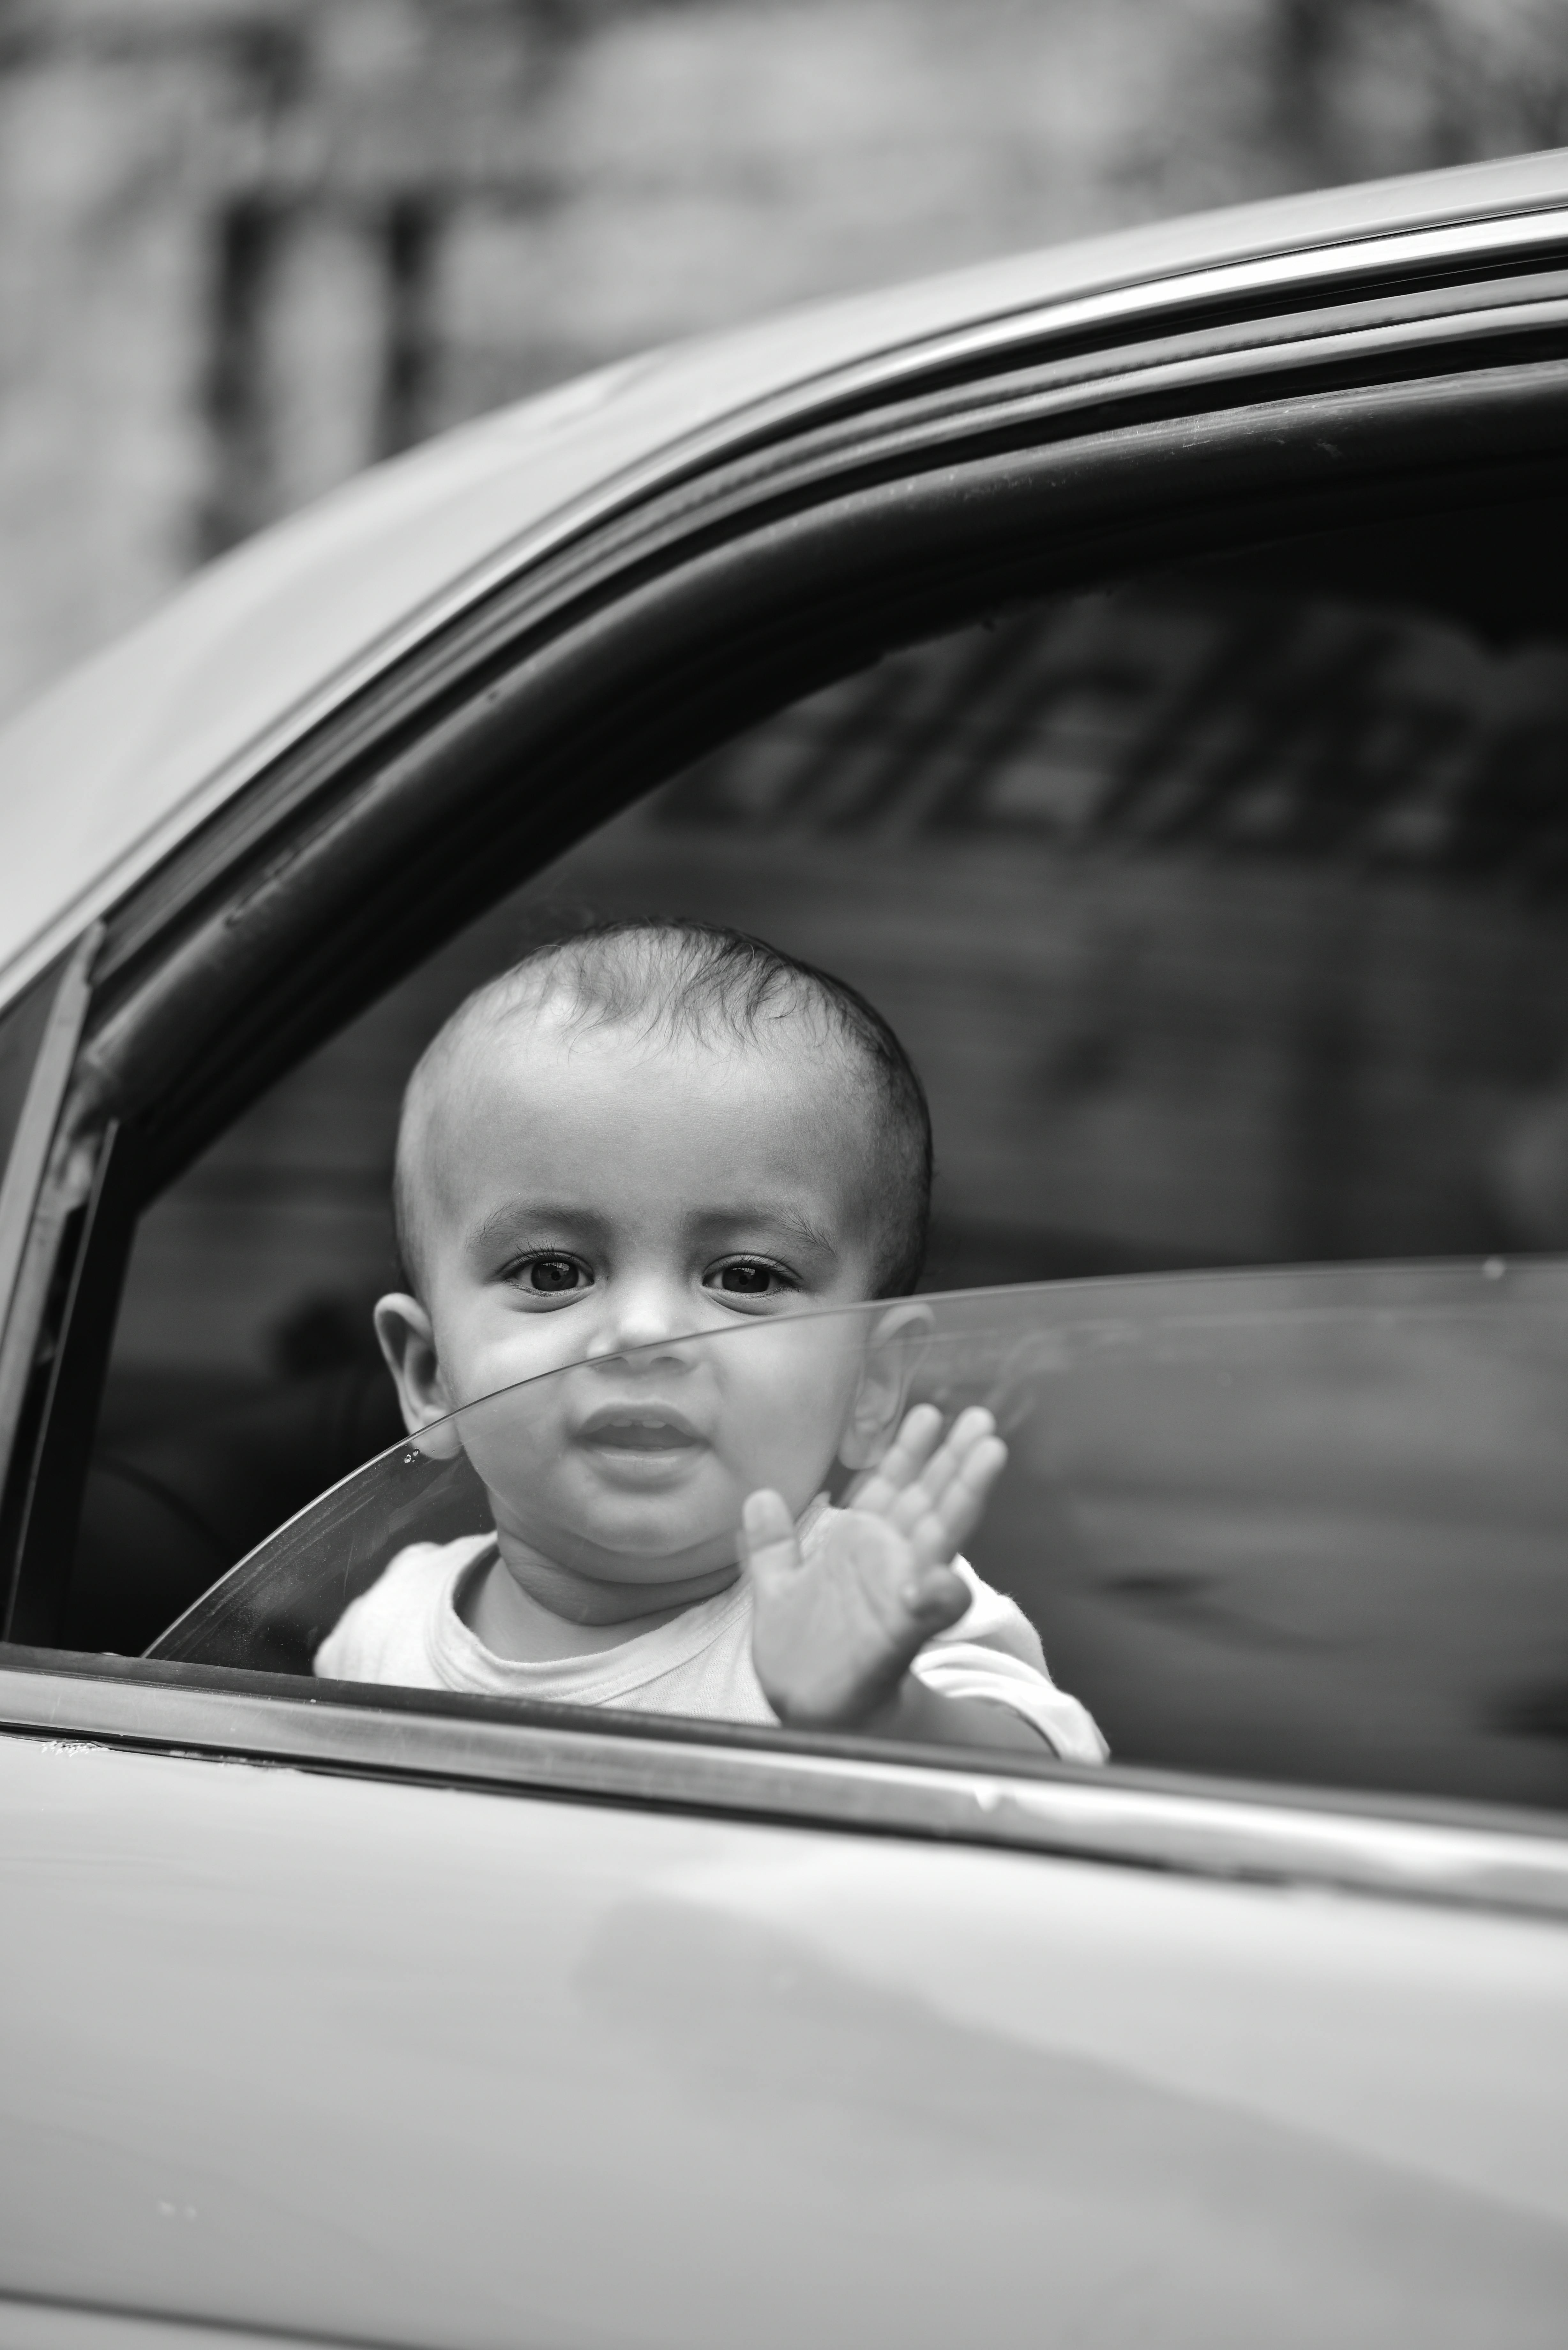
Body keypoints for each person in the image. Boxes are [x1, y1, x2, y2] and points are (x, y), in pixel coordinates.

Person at [315, 920, 1106, 1762]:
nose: (645, 1332)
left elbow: (1045, 1791)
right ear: (429, 1372)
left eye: (747, 1278)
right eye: (553, 1272)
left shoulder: (867, 1608)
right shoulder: (381, 1633)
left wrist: (885, 1716)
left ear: (870, 1382)